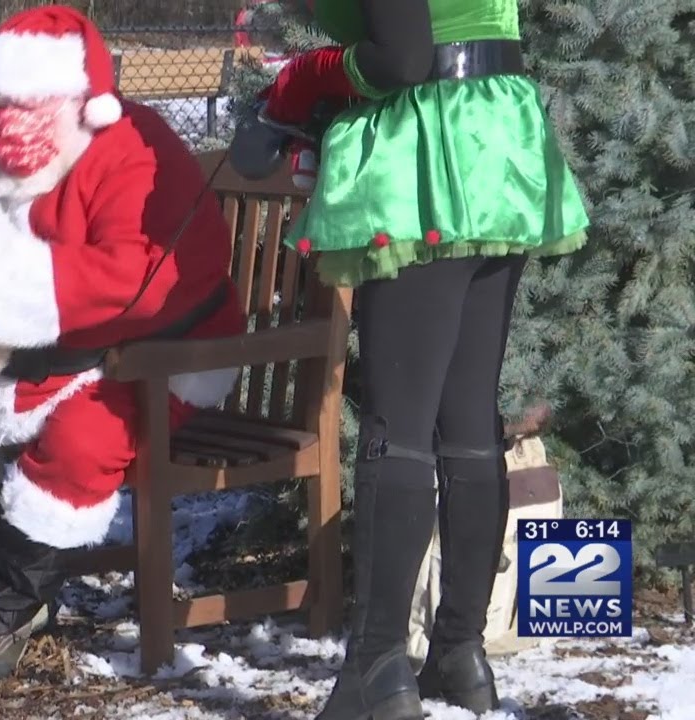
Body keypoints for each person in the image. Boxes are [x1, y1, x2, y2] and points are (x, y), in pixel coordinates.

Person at [0, 5, 248, 690]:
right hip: (8, 355)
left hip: (146, 353)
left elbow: (148, 279)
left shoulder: (136, 145)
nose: (9, 120)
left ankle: (5, 610)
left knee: (84, 433)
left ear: (79, 102)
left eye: (31, 105)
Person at [243, 0, 590, 717]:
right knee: (466, 418)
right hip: (497, 133)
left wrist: (303, 81)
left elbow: (399, 58)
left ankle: (376, 667)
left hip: (425, 145)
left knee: (398, 423)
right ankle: (459, 656)